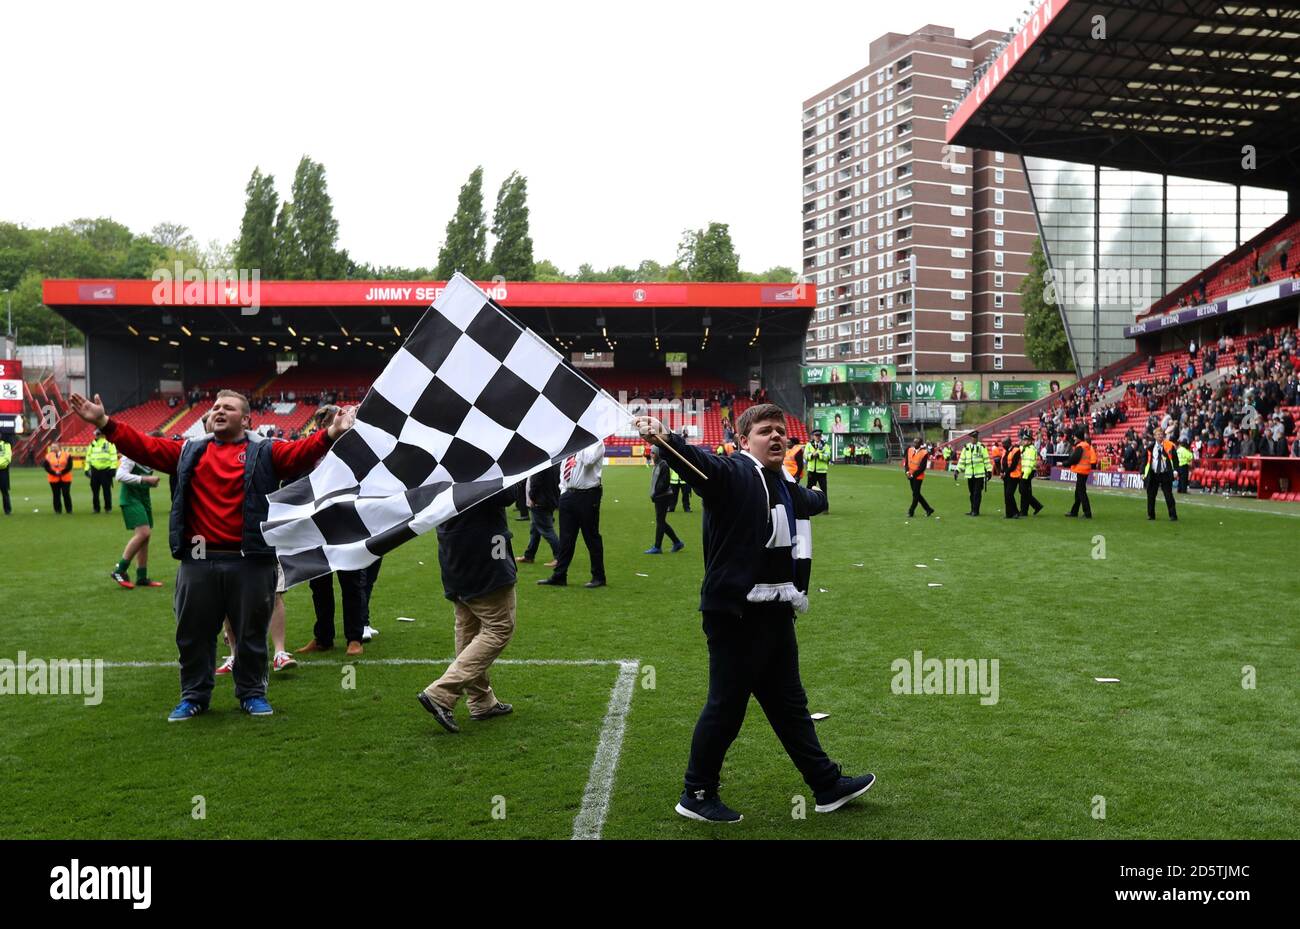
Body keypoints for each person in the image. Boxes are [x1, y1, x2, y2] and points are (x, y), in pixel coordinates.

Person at [633, 405, 874, 824]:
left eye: (781, 431)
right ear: (745, 441)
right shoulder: (734, 474)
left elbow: (810, 502)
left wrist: (819, 488)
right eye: (765, 431)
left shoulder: (780, 482)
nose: (777, 436)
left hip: (776, 612)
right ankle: (697, 792)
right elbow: (699, 464)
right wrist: (665, 438)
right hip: (737, 614)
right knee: (727, 706)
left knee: (789, 705)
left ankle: (826, 784)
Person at [67, 388, 353, 721]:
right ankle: (194, 696)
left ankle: (252, 694)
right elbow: (145, 446)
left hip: (250, 560)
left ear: (246, 419)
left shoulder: (264, 450)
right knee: (194, 636)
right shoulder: (189, 451)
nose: (218, 411)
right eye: (215, 407)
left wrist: (332, 432)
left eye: (228, 408)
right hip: (198, 560)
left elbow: (300, 455)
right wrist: (104, 421)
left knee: (250, 635)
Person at [417, 486, 518, 733]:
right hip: (484, 553)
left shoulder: (441, 460)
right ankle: (441, 692)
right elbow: (507, 495)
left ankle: (482, 701)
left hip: (453, 550)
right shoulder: (482, 458)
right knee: (499, 627)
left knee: (468, 626)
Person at [538, 440, 607, 589]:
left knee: (591, 537)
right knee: (566, 538)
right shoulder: (570, 447)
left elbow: (588, 461)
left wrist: (579, 443)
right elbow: (563, 472)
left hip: (588, 496)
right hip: (568, 495)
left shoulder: (596, 444)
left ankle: (598, 576)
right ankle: (559, 575)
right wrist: (563, 492)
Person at [110, 436, 165, 589]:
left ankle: (142, 577)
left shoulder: (151, 455)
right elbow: (119, 476)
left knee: (145, 538)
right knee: (143, 534)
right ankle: (119, 570)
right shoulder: (132, 454)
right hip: (130, 499)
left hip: (143, 499)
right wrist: (145, 479)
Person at [516, 460, 561, 566]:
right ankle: (529, 556)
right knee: (535, 530)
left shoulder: (540, 463)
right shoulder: (553, 461)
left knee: (547, 530)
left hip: (540, 501)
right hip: (549, 500)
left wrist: (532, 498)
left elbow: (536, 482)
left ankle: (560, 557)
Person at [646, 445, 684, 554]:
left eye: (653, 453)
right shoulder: (658, 464)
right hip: (659, 496)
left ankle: (657, 547)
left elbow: (664, 483)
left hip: (663, 497)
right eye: (651, 453)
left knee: (660, 521)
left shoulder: (663, 465)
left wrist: (656, 493)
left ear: (657, 454)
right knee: (661, 521)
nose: (651, 455)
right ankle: (677, 542)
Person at [1143, 430, 1179, 521]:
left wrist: (1175, 470)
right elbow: (1144, 461)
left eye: (1161, 434)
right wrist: (1142, 472)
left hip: (1165, 474)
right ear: (1154, 436)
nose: (1160, 436)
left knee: (1168, 495)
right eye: (1158, 434)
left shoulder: (1169, 445)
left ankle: (1173, 515)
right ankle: (1151, 515)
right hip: (1153, 474)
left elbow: (1175, 459)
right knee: (1151, 495)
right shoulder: (1150, 447)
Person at [1065, 427, 1097, 518]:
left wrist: (1065, 463)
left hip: (1081, 471)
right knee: (1078, 492)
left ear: (1078, 437)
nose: (1074, 438)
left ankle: (1087, 513)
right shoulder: (1085, 445)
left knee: (1081, 492)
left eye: (1075, 437)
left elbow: (1074, 459)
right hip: (1084, 471)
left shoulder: (1080, 447)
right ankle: (1074, 511)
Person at [956, 431, 991, 516]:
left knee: (977, 493)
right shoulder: (966, 447)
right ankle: (972, 510)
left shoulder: (982, 447)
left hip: (979, 474)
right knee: (972, 493)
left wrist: (989, 471)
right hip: (969, 474)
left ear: (977, 438)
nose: (973, 439)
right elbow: (962, 460)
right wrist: (957, 470)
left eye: (975, 438)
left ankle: (976, 510)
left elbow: (986, 460)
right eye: (972, 438)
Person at [85, 428, 118, 513]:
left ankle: (108, 508)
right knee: (95, 492)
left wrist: (113, 468)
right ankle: (96, 508)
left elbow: (113, 456)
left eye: (98, 434)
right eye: (97, 434)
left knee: (106, 491)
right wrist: (87, 469)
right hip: (95, 470)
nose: (97, 435)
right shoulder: (92, 444)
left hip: (106, 470)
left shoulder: (109, 443)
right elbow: (88, 457)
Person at [903, 436, 933, 517]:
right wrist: (907, 472)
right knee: (917, 494)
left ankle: (911, 511)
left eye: (917, 442)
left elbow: (922, 468)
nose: (915, 443)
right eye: (914, 442)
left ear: (920, 444)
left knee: (915, 495)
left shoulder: (924, 453)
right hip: (910, 475)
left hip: (918, 477)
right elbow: (906, 463)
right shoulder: (910, 450)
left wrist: (913, 474)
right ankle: (928, 509)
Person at [43, 441, 74, 513]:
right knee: (56, 494)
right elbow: (46, 467)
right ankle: (57, 510)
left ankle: (69, 510)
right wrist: (54, 472)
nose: (53, 448)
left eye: (54, 447)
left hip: (65, 478)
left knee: (66, 493)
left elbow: (69, 466)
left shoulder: (67, 455)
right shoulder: (48, 456)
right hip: (53, 478)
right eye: (52, 447)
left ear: (59, 447)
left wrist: (61, 472)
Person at [1018, 432, 1044, 516]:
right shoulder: (1026, 448)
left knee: (1023, 491)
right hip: (1025, 471)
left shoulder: (1030, 450)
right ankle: (1026, 509)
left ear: (1029, 441)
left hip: (1027, 472)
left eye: (1026, 440)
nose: (1024, 441)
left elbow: (1029, 463)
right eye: (1024, 440)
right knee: (1025, 492)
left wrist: (1025, 475)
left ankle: (1032, 507)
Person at [805, 429, 830, 508]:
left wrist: (819, 455)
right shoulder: (809, 445)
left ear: (821, 436)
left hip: (822, 471)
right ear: (813, 436)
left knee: (823, 490)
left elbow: (828, 456)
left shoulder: (825, 445)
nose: (817, 437)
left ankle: (825, 508)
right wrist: (812, 455)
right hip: (811, 470)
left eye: (819, 435)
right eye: (816, 435)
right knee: (809, 490)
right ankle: (808, 506)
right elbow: (805, 456)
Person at [1001, 438, 1021, 519]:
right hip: (1007, 476)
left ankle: (1015, 512)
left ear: (1008, 443)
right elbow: (1004, 462)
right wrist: (1002, 472)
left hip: (1014, 475)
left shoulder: (1016, 450)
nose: (1003, 446)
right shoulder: (1005, 451)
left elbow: (1013, 465)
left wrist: (1005, 472)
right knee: (1006, 495)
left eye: (1004, 444)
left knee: (1009, 494)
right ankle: (1008, 514)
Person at [0, 434, 11, 515]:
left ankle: (7, 510)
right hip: (3, 469)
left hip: (3, 471)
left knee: (5, 491)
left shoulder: (6, 445)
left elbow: (7, 458)